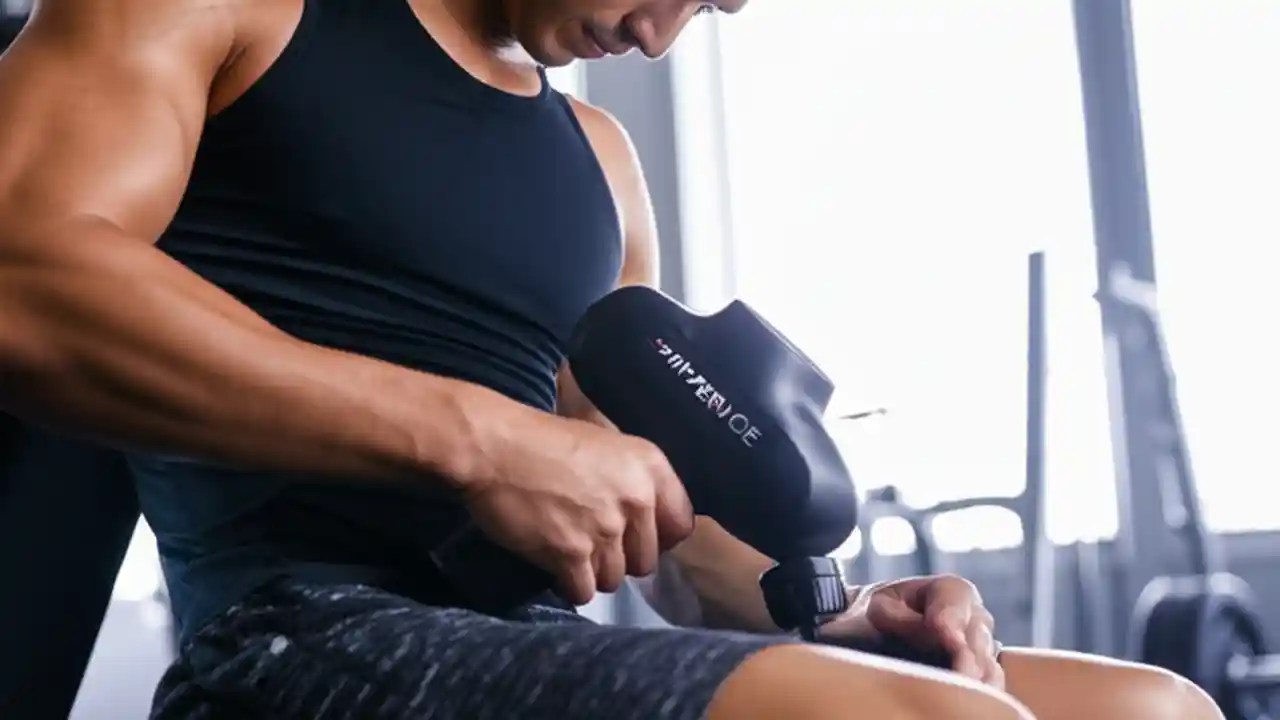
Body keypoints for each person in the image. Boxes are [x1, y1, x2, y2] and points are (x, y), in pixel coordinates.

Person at [0, 1, 1224, 718]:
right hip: (292, 641)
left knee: (1151, 711)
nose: (658, 32)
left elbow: (670, 522)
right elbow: (23, 274)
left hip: (533, 643)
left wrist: (837, 614)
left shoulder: (597, 159)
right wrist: (481, 437)